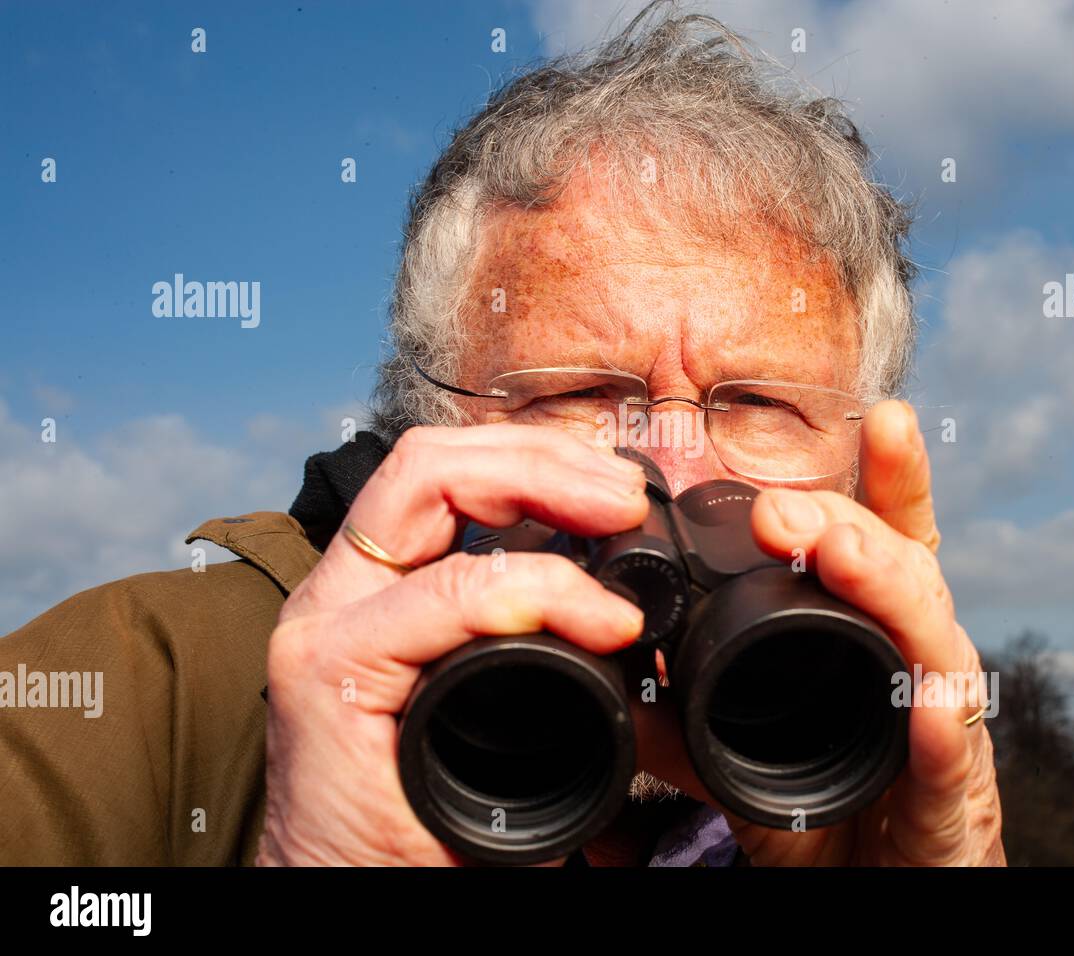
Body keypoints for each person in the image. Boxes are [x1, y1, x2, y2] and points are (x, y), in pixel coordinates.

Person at [0, 1, 1003, 867]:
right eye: (578, 393)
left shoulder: (898, 776)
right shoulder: (135, 699)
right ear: (428, 422)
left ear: (862, 469)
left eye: (757, 403)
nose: (673, 466)